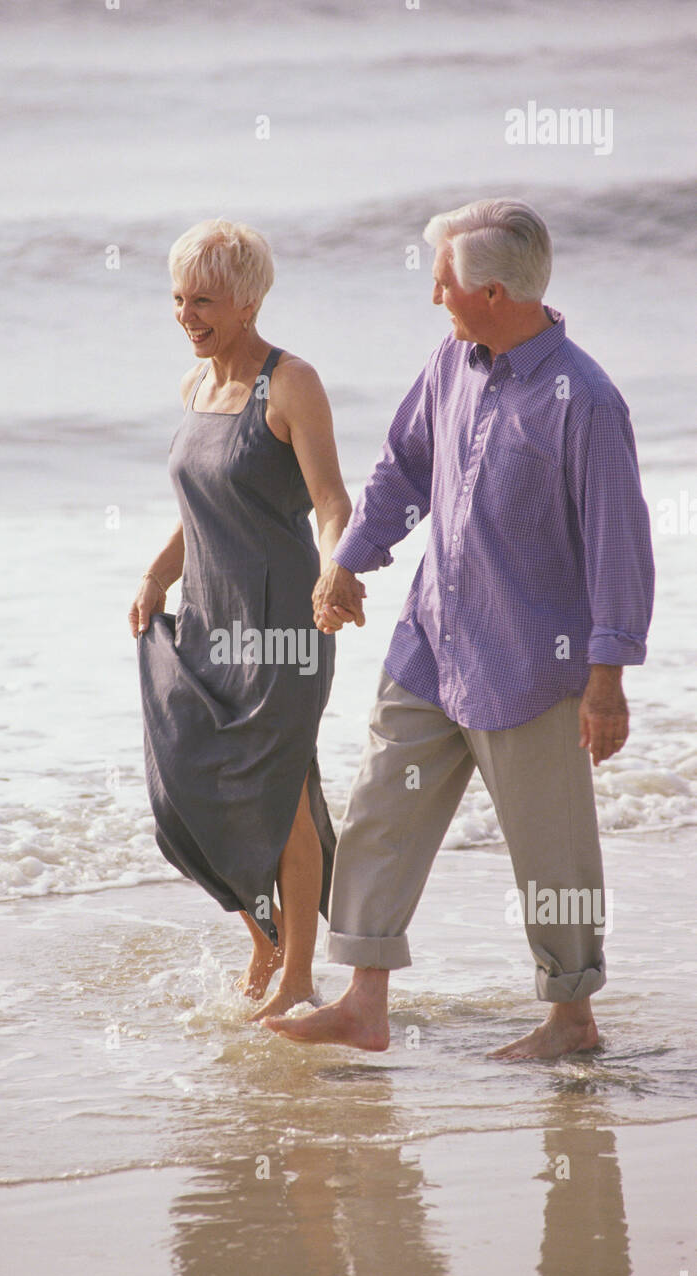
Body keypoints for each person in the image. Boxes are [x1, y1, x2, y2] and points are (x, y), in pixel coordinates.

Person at [264, 197, 655, 1058]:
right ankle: (367, 1005)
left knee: (554, 857)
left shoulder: (585, 403)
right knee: (376, 813)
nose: (434, 293)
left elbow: (619, 548)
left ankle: (572, 1020)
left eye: (444, 280)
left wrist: (606, 679)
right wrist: (347, 562)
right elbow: (403, 466)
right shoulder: (453, 359)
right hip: (432, 643)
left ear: (494, 292)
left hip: (534, 667)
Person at [131, 219, 354, 1021]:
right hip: (206, 616)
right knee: (184, 789)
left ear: (250, 300)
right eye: (179, 300)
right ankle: (264, 936)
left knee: (281, 795)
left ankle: (296, 974)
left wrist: (338, 565)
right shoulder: (195, 387)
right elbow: (201, 507)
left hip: (281, 626)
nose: (188, 316)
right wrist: (158, 575)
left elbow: (332, 502)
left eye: (206, 301)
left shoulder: (290, 383)